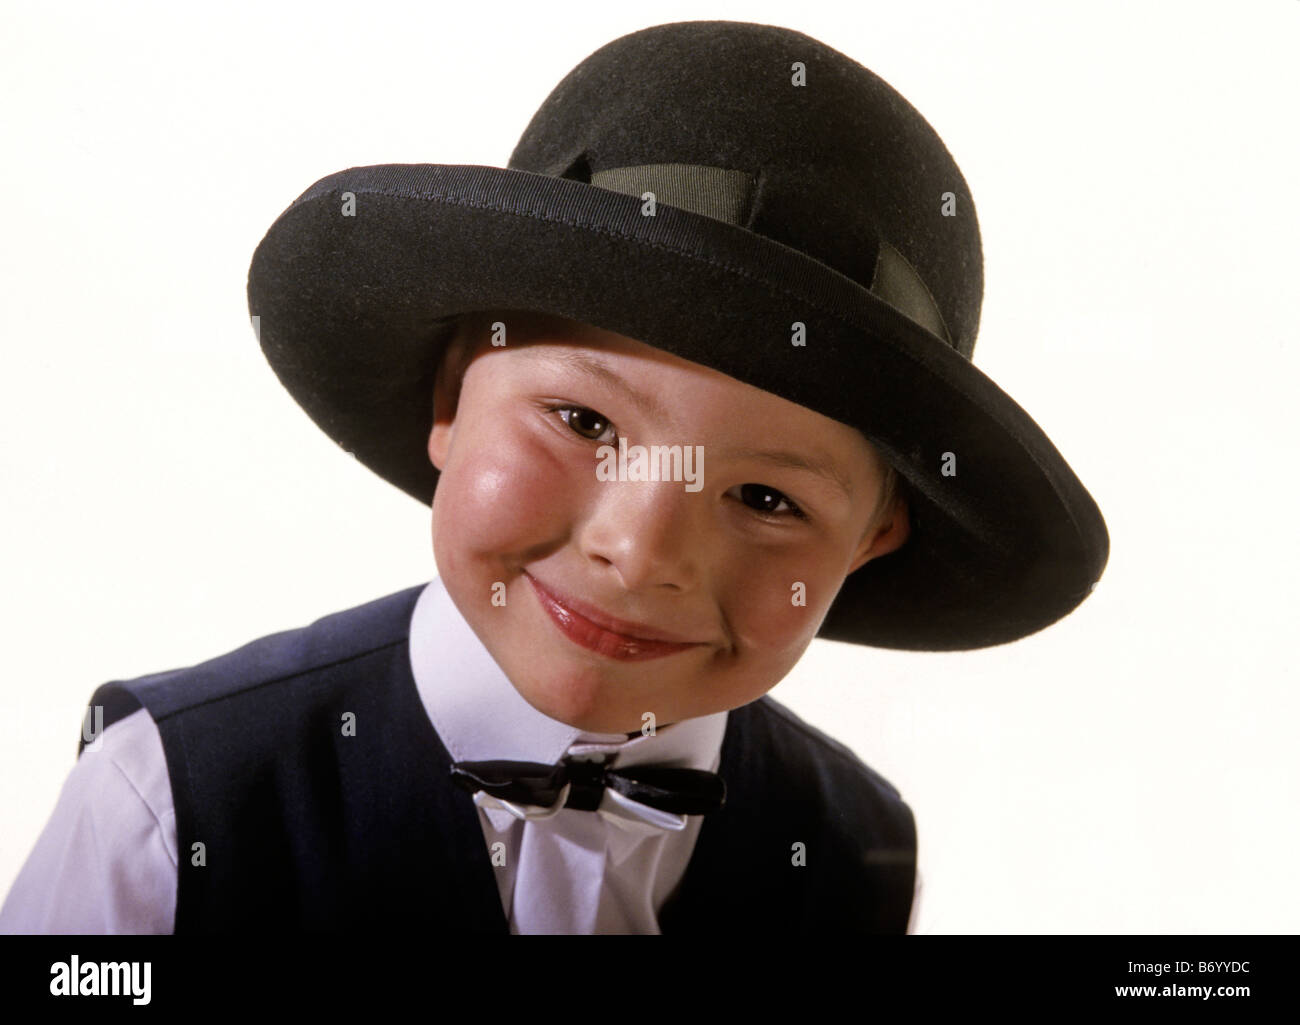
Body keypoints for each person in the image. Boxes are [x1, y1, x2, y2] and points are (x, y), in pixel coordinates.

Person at [0, 19, 1108, 934]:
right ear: (450, 400)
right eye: (581, 419)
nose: (640, 549)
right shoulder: (169, 797)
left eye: (766, 498)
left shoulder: (859, 852)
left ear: (870, 537)